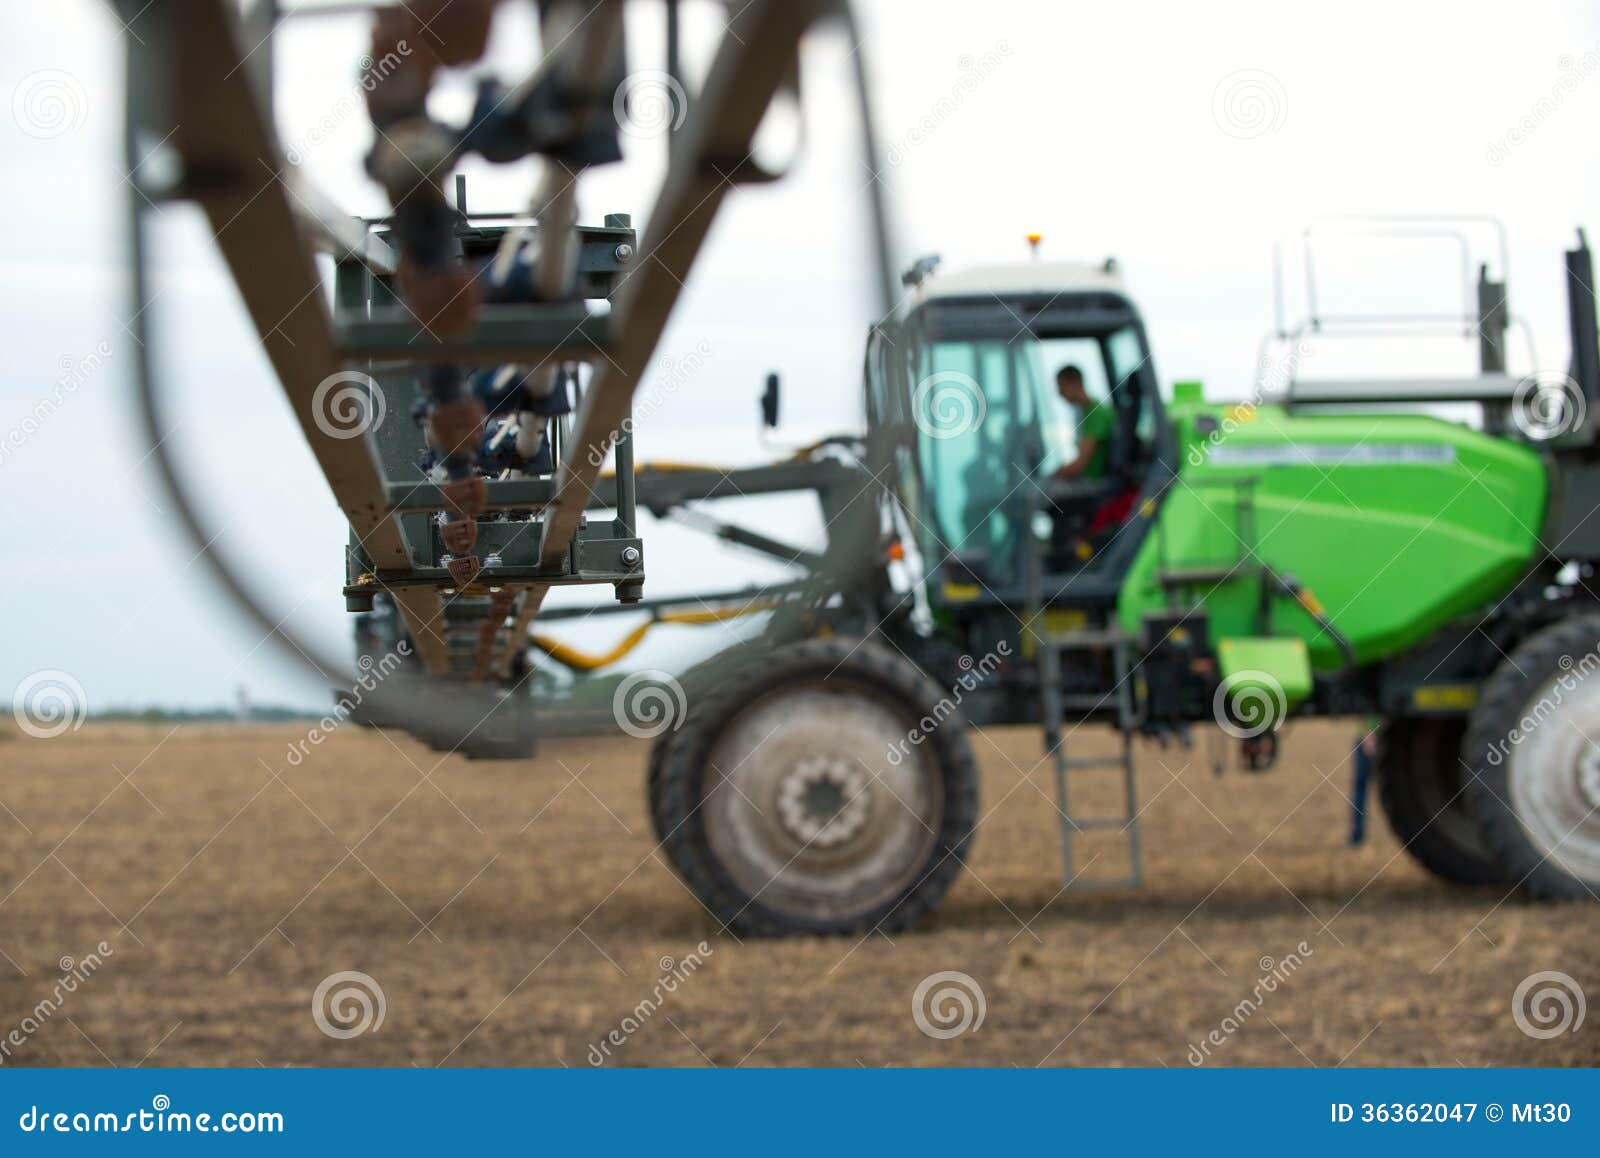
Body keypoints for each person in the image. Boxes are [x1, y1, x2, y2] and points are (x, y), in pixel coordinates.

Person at [1052, 365, 1111, 480]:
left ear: (1075, 383)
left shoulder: (1096, 414)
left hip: (1092, 480)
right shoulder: (1086, 412)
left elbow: (1080, 465)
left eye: (1061, 386)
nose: (1060, 393)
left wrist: (1055, 475)